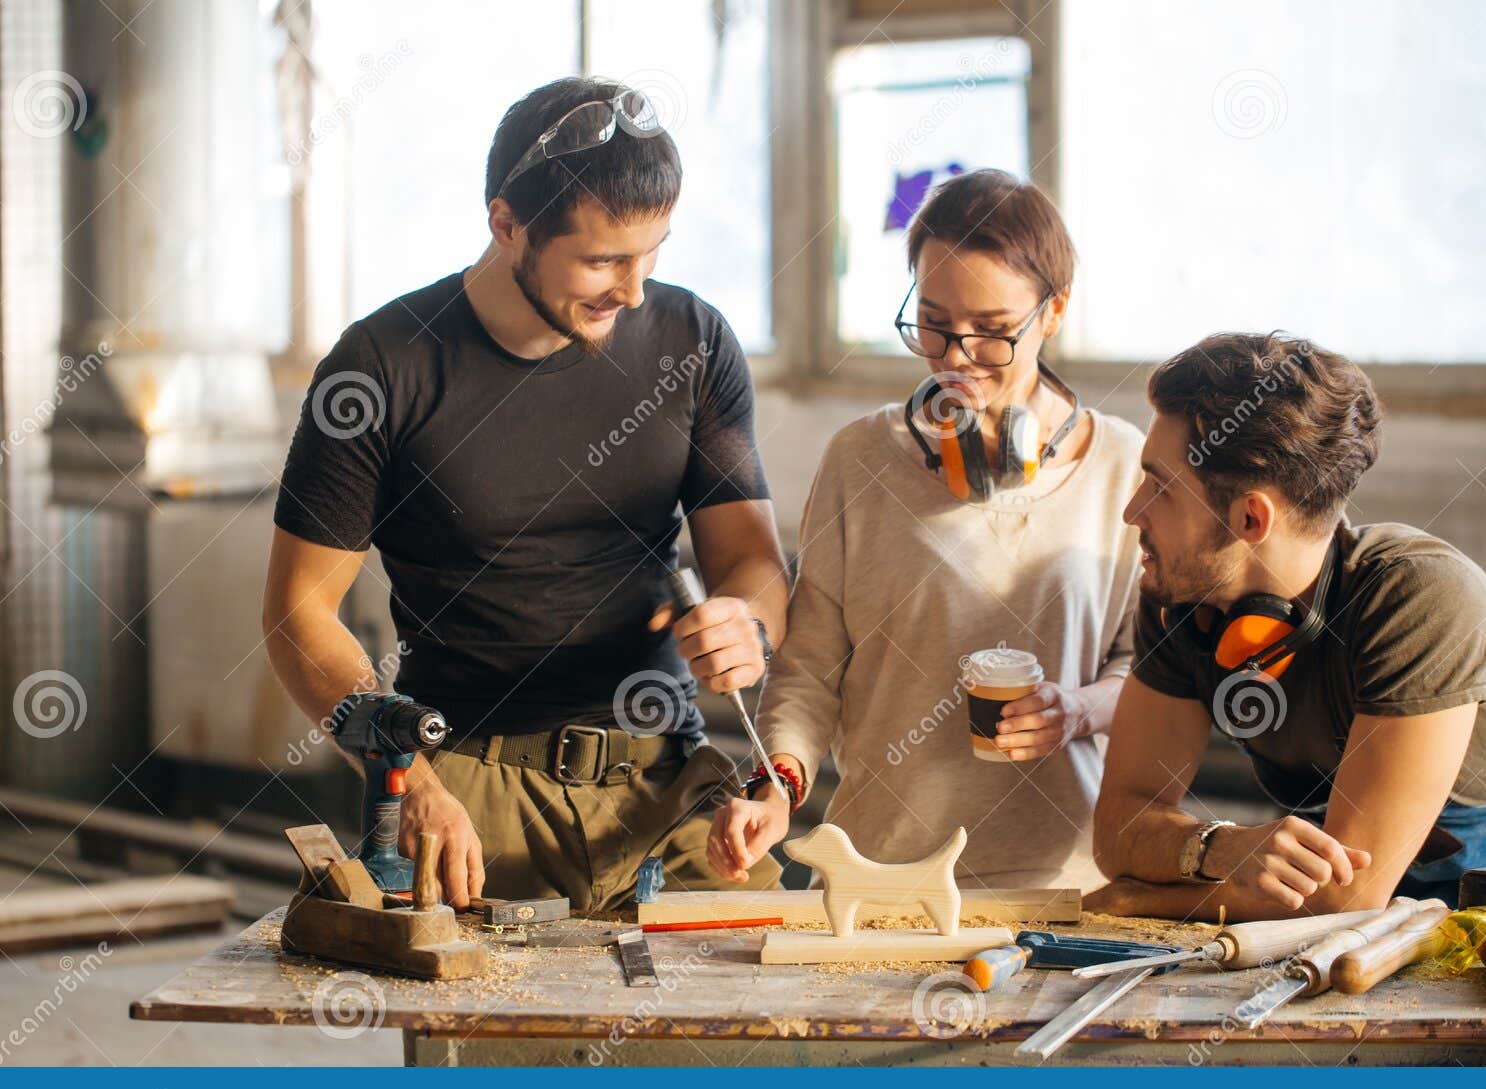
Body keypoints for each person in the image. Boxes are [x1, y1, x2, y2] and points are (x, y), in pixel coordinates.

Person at [263, 77, 788, 913]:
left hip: (665, 777)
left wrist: (748, 624)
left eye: (652, 253)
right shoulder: (382, 366)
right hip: (466, 788)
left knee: (769, 979)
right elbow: (298, 613)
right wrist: (408, 777)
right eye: (603, 260)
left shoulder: (694, 341)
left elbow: (753, 565)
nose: (633, 291)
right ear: (507, 224)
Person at [705, 170, 1145, 890]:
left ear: (1055, 311)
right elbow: (809, 669)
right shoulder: (859, 458)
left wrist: (1076, 711)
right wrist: (775, 787)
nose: (955, 358)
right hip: (880, 875)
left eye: (993, 332)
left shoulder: (1124, 464)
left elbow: (1148, 668)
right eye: (934, 323)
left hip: (1065, 886)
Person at [1091, 331, 1486, 918]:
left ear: (1251, 518)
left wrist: (1141, 899)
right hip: (1406, 890)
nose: (1132, 511)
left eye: (1160, 488)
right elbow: (1117, 831)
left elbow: (1343, 896)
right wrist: (1216, 846)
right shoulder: (1181, 592)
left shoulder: (1419, 597)